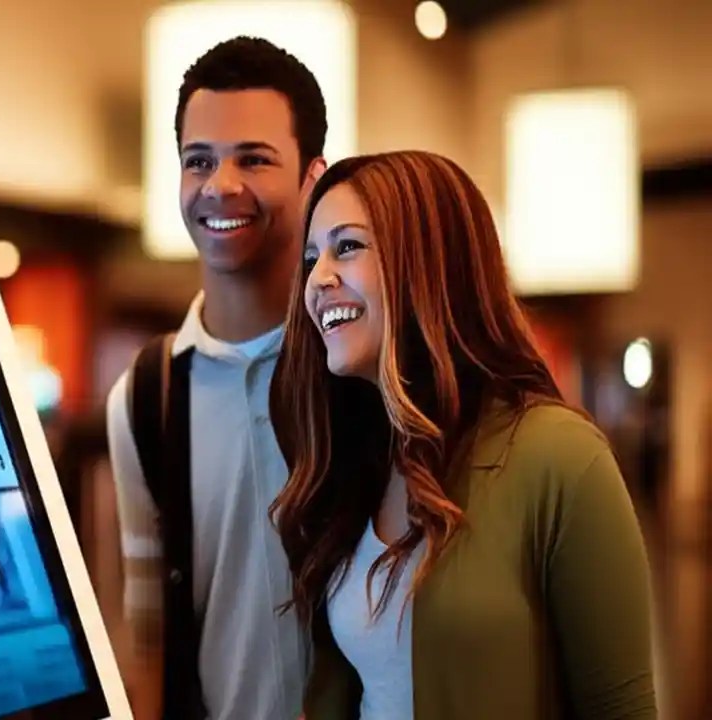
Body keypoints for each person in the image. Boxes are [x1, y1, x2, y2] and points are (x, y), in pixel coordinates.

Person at [270, 150, 657, 719]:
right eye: (311, 257)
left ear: (431, 264)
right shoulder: (361, 462)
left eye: (347, 247)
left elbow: (620, 709)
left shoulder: (560, 457)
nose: (317, 279)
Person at [105, 36, 328, 720]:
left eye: (254, 159)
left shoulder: (355, 365)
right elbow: (147, 632)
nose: (220, 185)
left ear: (313, 179)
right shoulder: (147, 397)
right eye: (197, 161)